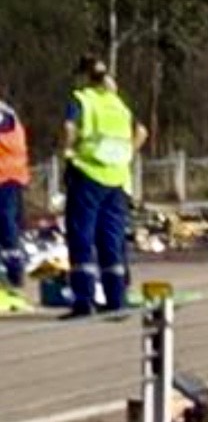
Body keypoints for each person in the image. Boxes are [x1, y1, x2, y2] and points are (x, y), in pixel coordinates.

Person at [61, 55, 148, 319]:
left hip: (88, 174)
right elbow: (141, 132)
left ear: (85, 76)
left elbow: (68, 128)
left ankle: (84, 301)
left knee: (82, 237)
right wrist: (126, 154)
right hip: (117, 179)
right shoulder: (118, 104)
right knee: (112, 240)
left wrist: (67, 152)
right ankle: (116, 301)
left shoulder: (83, 100)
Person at [0, 96, 30, 288]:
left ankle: (13, 272)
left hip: (5, 175)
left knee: (6, 224)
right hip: (9, 174)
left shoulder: (2, 113)